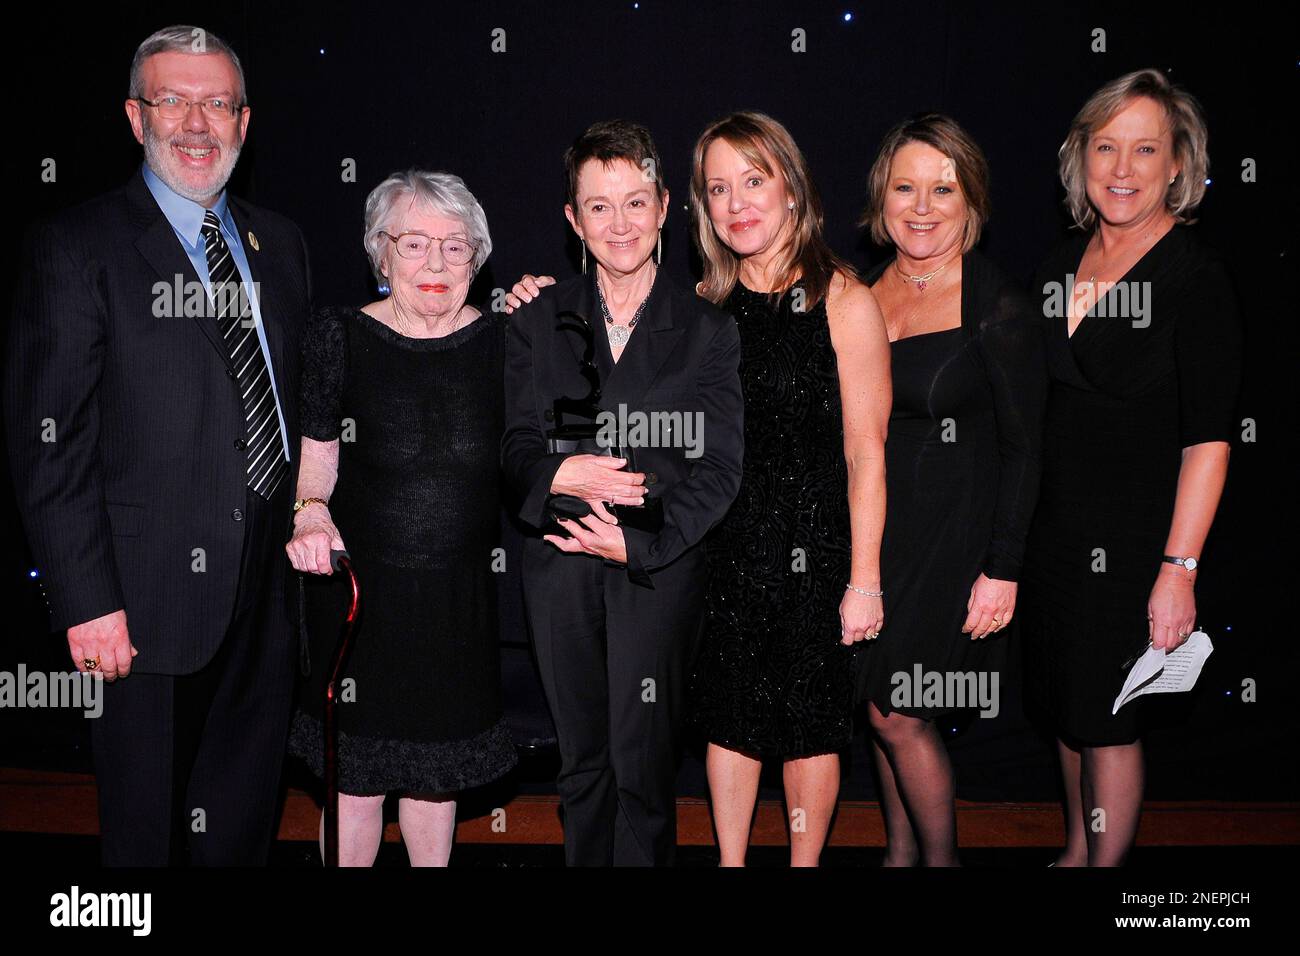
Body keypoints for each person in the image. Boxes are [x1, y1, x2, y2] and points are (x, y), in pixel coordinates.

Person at [4, 25, 311, 865]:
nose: (197, 123)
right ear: (136, 118)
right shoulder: (76, 248)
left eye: (217, 103)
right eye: (174, 100)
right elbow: (48, 442)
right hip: (136, 603)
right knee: (142, 839)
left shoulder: (278, 245)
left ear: (245, 123)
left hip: (267, 594)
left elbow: (301, 401)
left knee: (241, 819)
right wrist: (84, 599)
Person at [501, 119, 743, 865]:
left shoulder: (706, 330)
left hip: (656, 575)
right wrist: (556, 475)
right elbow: (510, 448)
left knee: (643, 771)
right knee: (581, 767)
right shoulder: (536, 319)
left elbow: (721, 469)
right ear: (573, 219)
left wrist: (639, 543)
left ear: (666, 205)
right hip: (560, 568)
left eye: (635, 202)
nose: (620, 223)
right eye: (598, 206)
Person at [1021, 68, 1242, 866]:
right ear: (1079, 159)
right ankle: (1077, 850)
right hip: (1053, 540)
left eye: (1144, 148)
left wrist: (1177, 569)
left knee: (1109, 720)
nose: (1122, 168)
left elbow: (1209, 441)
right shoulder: (1057, 266)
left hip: (1138, 545)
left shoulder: (1194, 278)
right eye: (1105, 146)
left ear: (1178, 163)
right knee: (1068, 709)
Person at [286, 170, 517, 866]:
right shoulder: (340, 337)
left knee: (434, 781)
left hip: (456, 604)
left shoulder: (509, 344)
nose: (437, 264)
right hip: (360, 604)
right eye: (414, 244)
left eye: (456, 246)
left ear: (478, 257)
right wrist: (310, 512)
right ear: (379, 254)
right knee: (354, 787)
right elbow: (317, 458)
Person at [688, 111, 891, 866]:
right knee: (729, 719)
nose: (737, 202)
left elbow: (867, 455)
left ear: (792, 189)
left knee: (808, 726)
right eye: (718, 188)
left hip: (817, 552)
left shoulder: (843, 298)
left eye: (754, 180)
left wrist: (864, 581)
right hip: (724, 552)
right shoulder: (704, 306)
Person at [856, 113, 1047, 866]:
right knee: (878, 705)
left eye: (944, 187)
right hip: (879, 538)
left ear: (973, 199)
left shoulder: (998, 306)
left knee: (899, 710)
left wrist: (1003, 567)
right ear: (882, 198)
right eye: (906, 187)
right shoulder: (865, 292)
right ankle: (900, 855)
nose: (923, 205)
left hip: (954, 541)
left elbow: (1027, 449)